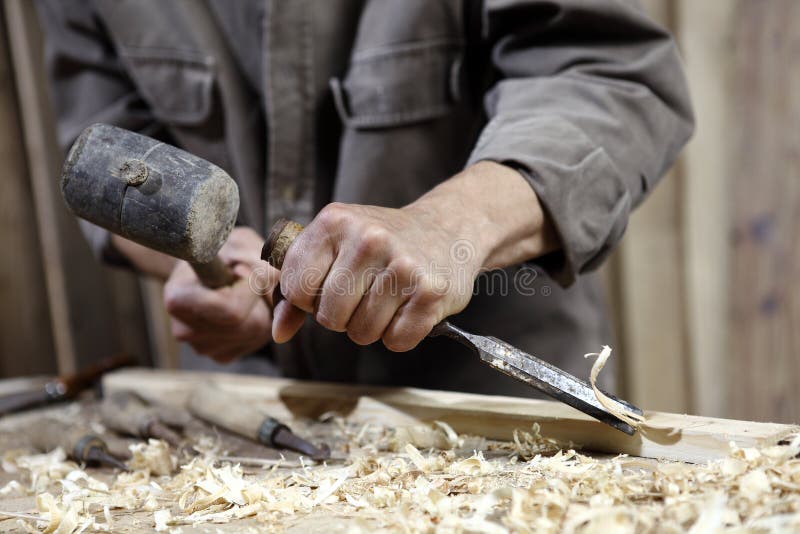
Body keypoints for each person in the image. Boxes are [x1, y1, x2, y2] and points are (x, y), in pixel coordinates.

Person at [36, 0, 693, 396]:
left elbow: (610, 77)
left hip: (488, 403)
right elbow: (107, 157)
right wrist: (203, 263)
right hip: (249, 413)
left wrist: (448, 226)